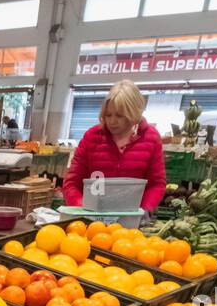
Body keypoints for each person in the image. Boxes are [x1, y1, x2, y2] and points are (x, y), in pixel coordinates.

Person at [63, 80, 166, 212]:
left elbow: (156, 184)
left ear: (134, 114)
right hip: (92, 217)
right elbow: (72, 182)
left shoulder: (151, 138)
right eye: (108, 115)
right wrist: (80, 207)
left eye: (119, 116)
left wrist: (145, 210)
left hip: (131, 218)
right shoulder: (92, 137)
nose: (112, 121)